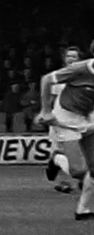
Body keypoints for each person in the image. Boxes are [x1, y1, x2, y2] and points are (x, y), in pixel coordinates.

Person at [36, 40, 94, 220]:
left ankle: (83, 211)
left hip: (87, 117)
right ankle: (57, 159)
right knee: (79, 171)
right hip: (66, 118)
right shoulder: (80, 69)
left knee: (93, 169)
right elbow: (46, 80)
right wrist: (45, 111)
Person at [41, 45, 82, 195]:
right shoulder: (58, 77)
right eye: (68, 56)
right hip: (60, 121)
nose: (71, 59)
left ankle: (75, 177)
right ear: (64, 59)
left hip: (79, 120)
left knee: (80, 152)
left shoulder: (86, 77)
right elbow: (50, 99)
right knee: (64, 151)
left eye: (74, 56)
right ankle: (66, 182)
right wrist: (47, 114)